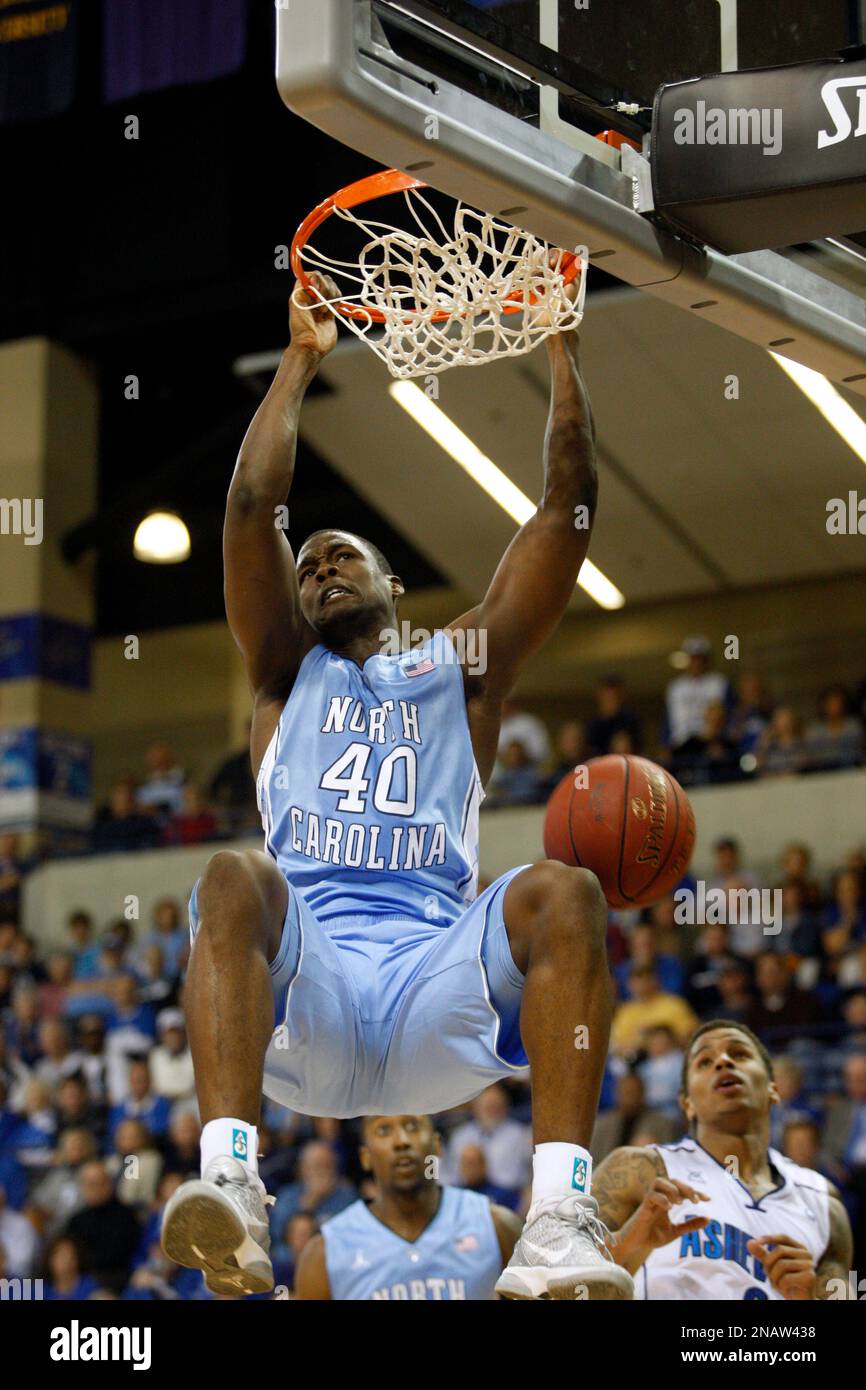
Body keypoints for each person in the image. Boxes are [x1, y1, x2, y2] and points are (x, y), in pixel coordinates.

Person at [161, 271, 632, 1301]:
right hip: (309, 1000)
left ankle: (556, 1217)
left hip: (434, 985)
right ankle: (234, 1185)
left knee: (564, 889)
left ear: (393, 584)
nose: (321, 565)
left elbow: (567, 509)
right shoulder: (284, 671)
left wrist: (558, 348)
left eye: (344, 554)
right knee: (234, 876)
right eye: (309, 562)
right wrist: (299, 357)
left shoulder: (460, 667)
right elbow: (251, 505)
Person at [593, 1021, 854, 1298]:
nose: (723, 1061)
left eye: (739, 1054)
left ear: (772, 1088)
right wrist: (629, 1242)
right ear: (687, 1103)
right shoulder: (639, 1170)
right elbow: (555, 1285)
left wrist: (809, 1297)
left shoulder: (822, 1200)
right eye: (704, 1061)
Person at [293, 1114, 521, 1300]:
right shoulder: (325, 1251)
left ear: (437, 1145)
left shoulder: (495, 1225)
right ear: (365, 1157)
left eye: (412, 1125)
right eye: (383, 1130)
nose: (401, 1141)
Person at [663, 636, 732, 757]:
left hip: (709, 742)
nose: (697, 663)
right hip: (681, 742)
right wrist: (665, 744)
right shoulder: (676, 687)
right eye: (693, 658)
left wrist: (720, 739)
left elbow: (727, 712)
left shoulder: (719, 682)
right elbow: (668, 718)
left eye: (700, 658)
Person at [585, 676, 641, 758]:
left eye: (613, 697)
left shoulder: (629, 720)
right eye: (606, 696)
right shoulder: (593, 724)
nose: (609, 700)